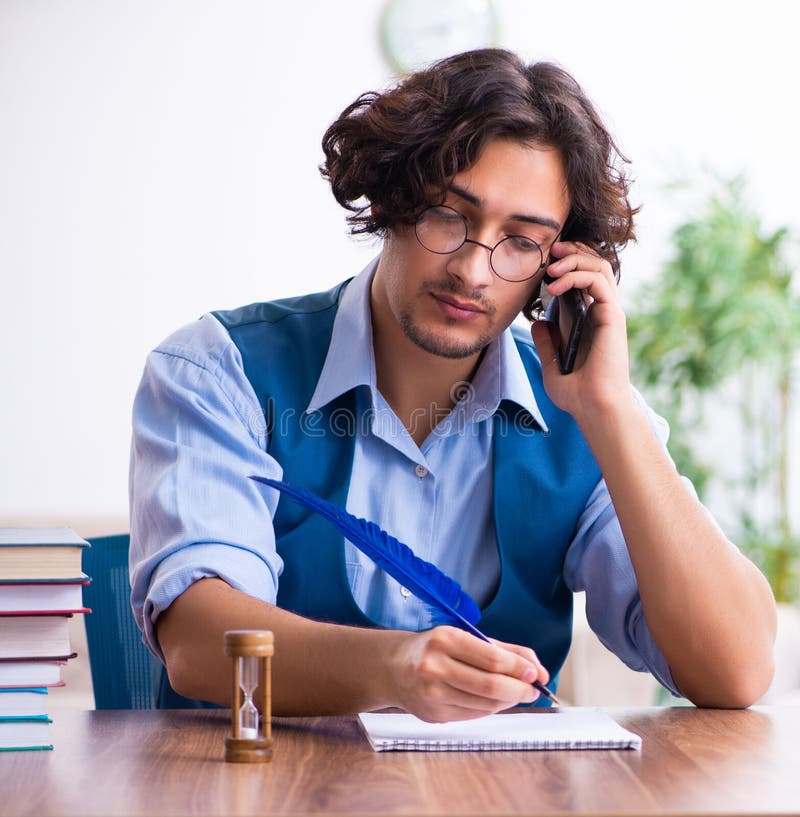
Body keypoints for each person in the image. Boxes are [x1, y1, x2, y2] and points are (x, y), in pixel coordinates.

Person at [129, 48, 776, 721]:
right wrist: (395, 670)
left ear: (558, 268)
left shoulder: (585, 417)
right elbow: (200, 645)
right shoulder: (218, 371)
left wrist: (610, 412)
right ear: (390, 198)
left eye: (522, 241)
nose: (473, 269)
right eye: (448, 216)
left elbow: (734, 671)